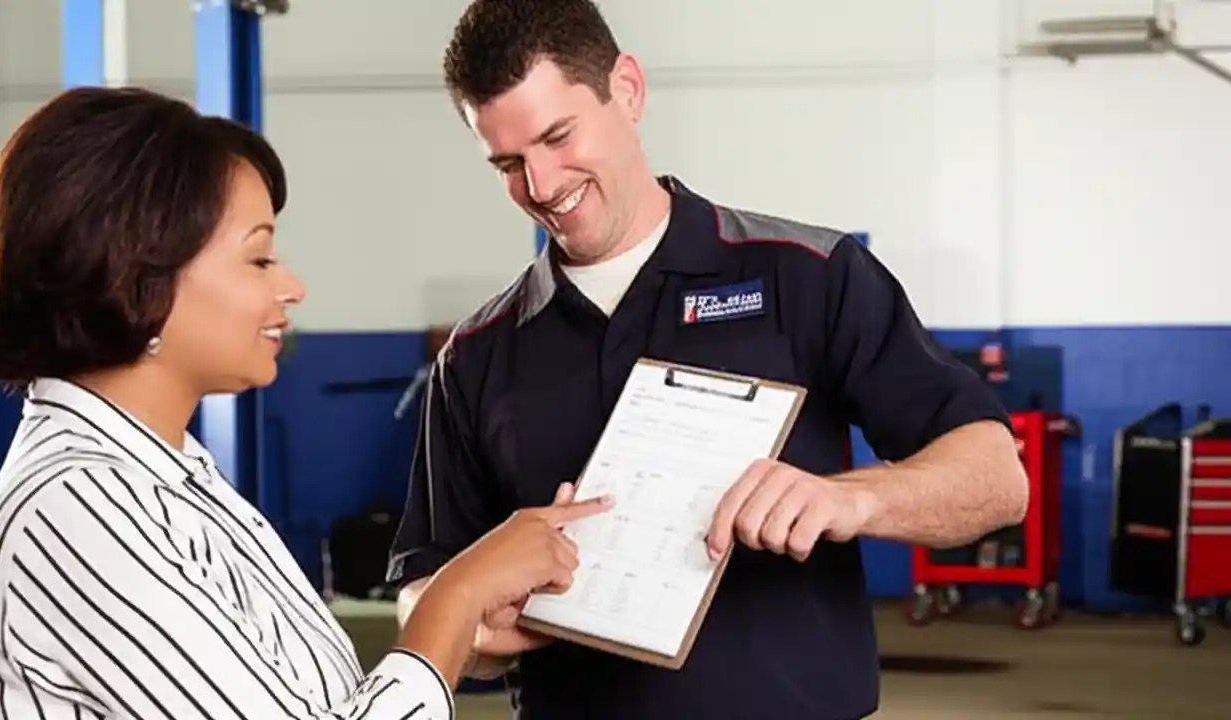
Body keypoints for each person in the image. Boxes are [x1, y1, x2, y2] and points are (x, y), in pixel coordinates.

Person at [387, 0, 1031, 718]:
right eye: (508, 163)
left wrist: (852, 498)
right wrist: (476, 626)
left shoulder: (808, 276)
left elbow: (997, 479)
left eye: (558, 136)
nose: (540, 187)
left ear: (626, 90)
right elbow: (423, 592)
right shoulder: (477, 356)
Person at [0, 85, 612, 720]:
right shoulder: (78, 510)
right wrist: (454, 596)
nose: (292, 285)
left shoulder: (164, 483)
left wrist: (462, 630)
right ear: (138, 284)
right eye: (259, 258)